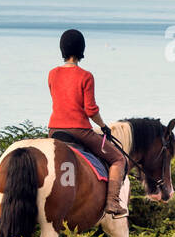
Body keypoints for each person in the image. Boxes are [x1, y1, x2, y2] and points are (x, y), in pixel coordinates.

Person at [47, 29, 128, 218]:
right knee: (118, 159)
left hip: (54, 131)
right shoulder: (86, 76)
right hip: (79, 131)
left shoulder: (52, 74)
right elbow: (91, 110)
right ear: (81, 49)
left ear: (62, 49)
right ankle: (112, 202)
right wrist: (103, 126)